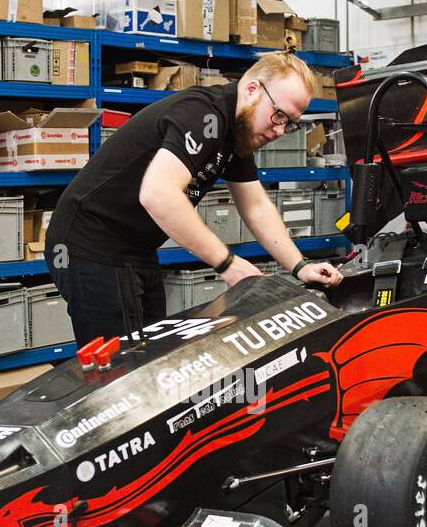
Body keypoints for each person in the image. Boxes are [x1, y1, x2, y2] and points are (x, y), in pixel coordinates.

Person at [45, 51, 343, 343]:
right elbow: (158, 193)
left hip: (136, 247)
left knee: (152, 355)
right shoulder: (202, 113)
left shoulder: (237, 131)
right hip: (88, 241)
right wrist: (228, 264)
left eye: (290, 122)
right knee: (120, 370)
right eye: (279, 115)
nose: (280, 129)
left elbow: (255, 207)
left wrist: (300, 266)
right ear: (252, 89)